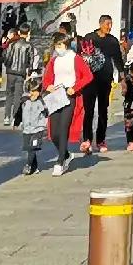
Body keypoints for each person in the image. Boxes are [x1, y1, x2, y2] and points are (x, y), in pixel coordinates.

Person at [41, 29, 86, 175]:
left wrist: (75, 87)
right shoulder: (54, 60)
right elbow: (47, 78)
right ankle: (66, 154)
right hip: (56, 96)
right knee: (54, 133)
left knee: (63, 127)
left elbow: (87, 76)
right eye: (56, 45)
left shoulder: (75, 58)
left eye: (60, 45)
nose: (57, 48)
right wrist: (48, 86)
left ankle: (60, 161)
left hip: (69, 96)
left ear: (66, 44)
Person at [82, 15, 125, 155]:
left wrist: (123, 79)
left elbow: (118, 60)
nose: (109, 27)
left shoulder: (112, 41)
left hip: (105, 80)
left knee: (103, 111)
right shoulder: (89, 38)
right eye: (107, 24)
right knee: (88, 111)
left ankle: (101, 140)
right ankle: (87, 139)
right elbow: (81, 58)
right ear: (100, 24)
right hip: (89, 81)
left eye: (111, 24)